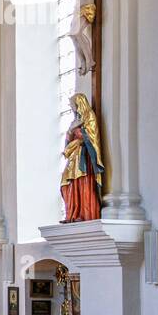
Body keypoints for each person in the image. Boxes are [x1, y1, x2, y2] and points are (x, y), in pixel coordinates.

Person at [60, 93, 104, 222]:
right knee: (67, 183)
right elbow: (67, 143)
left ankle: (84, 213)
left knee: (83, 183)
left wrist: (78, 132)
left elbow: (92, 137)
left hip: (85, 157)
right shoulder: (75, 121)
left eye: (74, 106)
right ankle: (72, 214)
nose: (73, 109)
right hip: (73, 157)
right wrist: (70, 131)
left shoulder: (89, 117)